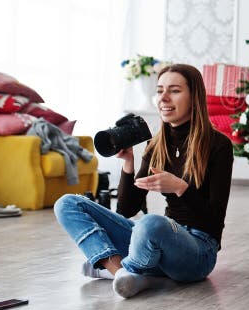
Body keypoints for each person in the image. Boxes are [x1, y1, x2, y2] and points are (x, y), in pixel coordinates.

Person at [54, 64, 235, 298]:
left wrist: (180, 188)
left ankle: (125, 270)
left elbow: (214, 219)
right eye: (160, 91)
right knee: (67, 203)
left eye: (175, 90)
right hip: (157, 243)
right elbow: (126, 209)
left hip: (198, 250)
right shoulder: (156, 145)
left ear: (194, 97)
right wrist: (128, 164)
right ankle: (123, 274)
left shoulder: (218, 145)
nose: (164, 98)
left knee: (151, 223)